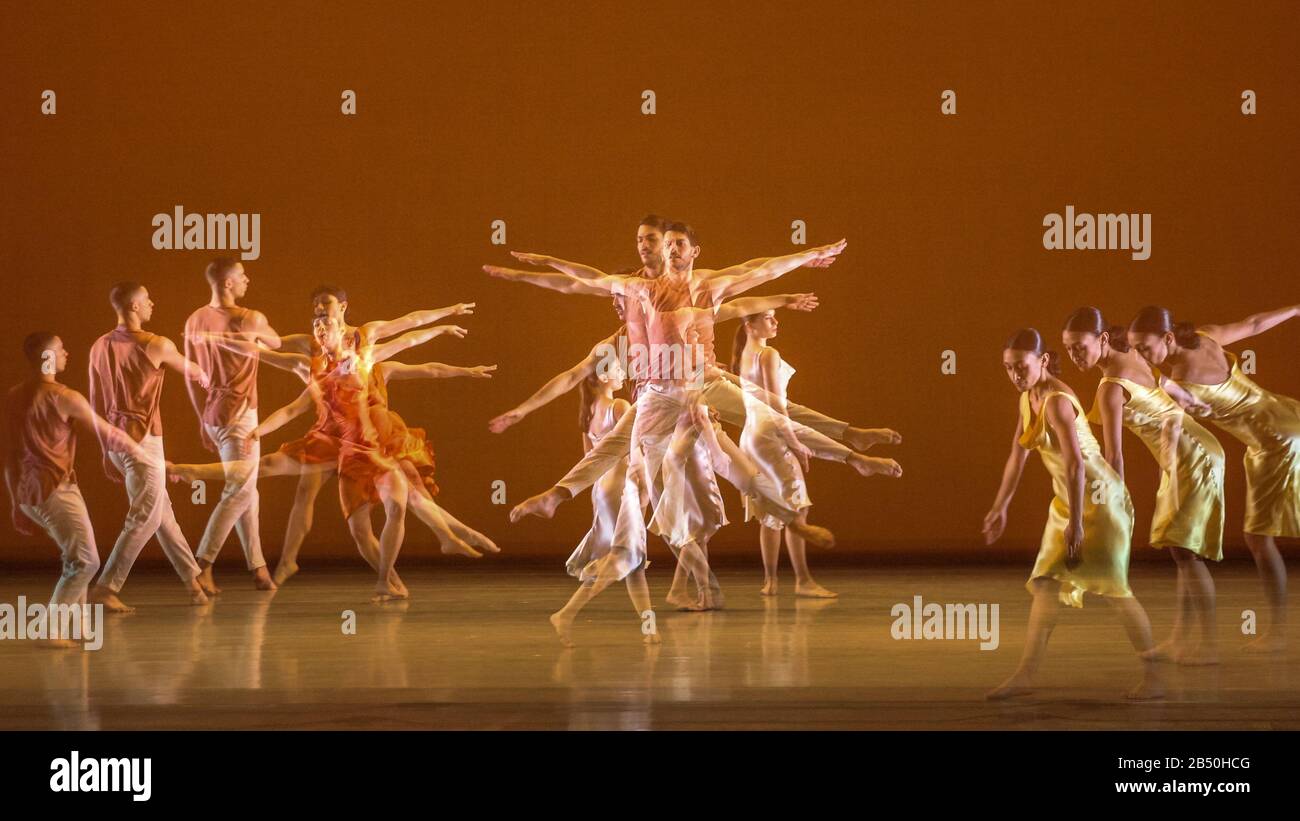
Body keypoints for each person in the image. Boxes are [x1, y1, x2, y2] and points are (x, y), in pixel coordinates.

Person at [982, 328, 1162, 700]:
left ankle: (1155, 678)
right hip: (1068, 502)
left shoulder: (1057, 401)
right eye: (1008, 368)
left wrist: (1077, 525)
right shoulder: (1027, 398)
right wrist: (1000, 506)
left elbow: (1078, 466)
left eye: (1022, 367)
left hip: (1099, 500)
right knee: (1045, 584)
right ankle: (1025, 675)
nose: (1016, 375)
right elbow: (1018, 456)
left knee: (1115, 589)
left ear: (1043, 361)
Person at [1129, 304, 1300, 652]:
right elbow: (1252, 321)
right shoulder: (1206, 336)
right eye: (1137, 349)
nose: (1143, 355)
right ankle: (1267, 630)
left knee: (1257, 538)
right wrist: (1295, 310)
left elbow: (1172, 423)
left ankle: (1279, 631)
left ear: (1168, 337)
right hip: (1285, 416)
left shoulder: (1180, 378)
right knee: (1255, 538)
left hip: (1275, 441)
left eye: (1146, 348)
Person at [4, 333, 148, 648]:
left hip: (32, 493)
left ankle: (80, 626)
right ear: (46, 357)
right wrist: (144, 456)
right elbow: (106, 432)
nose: (67, 352)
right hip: (55, 489)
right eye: (60, 349)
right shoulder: (65, 396)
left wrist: (17, 504)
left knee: (76, 556)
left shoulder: (14, 396)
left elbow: (10, 457)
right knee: (86, 561)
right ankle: (49, 628)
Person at [86, 282, 211, 610]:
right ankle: (105, 587)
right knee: (144, 516)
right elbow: (192, 370)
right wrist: (205, 373)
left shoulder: (99, 346)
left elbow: (95, 400)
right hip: (143, 443)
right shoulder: (157, 344)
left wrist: (103, 448)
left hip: (116, 441)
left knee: (161, 515)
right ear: (133, 307)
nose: (152, 303)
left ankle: (192, 581)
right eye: (147, 300)